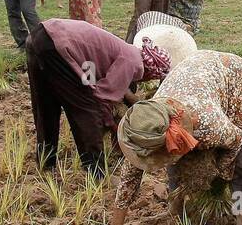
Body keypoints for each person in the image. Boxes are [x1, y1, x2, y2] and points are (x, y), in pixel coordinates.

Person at [108, 48, 242, 225]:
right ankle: (176, 208)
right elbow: (130, 177)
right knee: (174, 158)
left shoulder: (209, 125)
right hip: (192, 82)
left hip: (233, 77)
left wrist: (219, 173)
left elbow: (237, 140)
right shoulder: (144, 125)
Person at [25, 18, 174, 177]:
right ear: (151, 70)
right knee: (87, 109)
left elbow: (87, 69)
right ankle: (96, 172)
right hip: (58, 43)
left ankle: (46, 163)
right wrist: (114, 126)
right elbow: (101, 97)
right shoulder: (134, 62)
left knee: (46, 104)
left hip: (40, 36)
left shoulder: (122, 50)